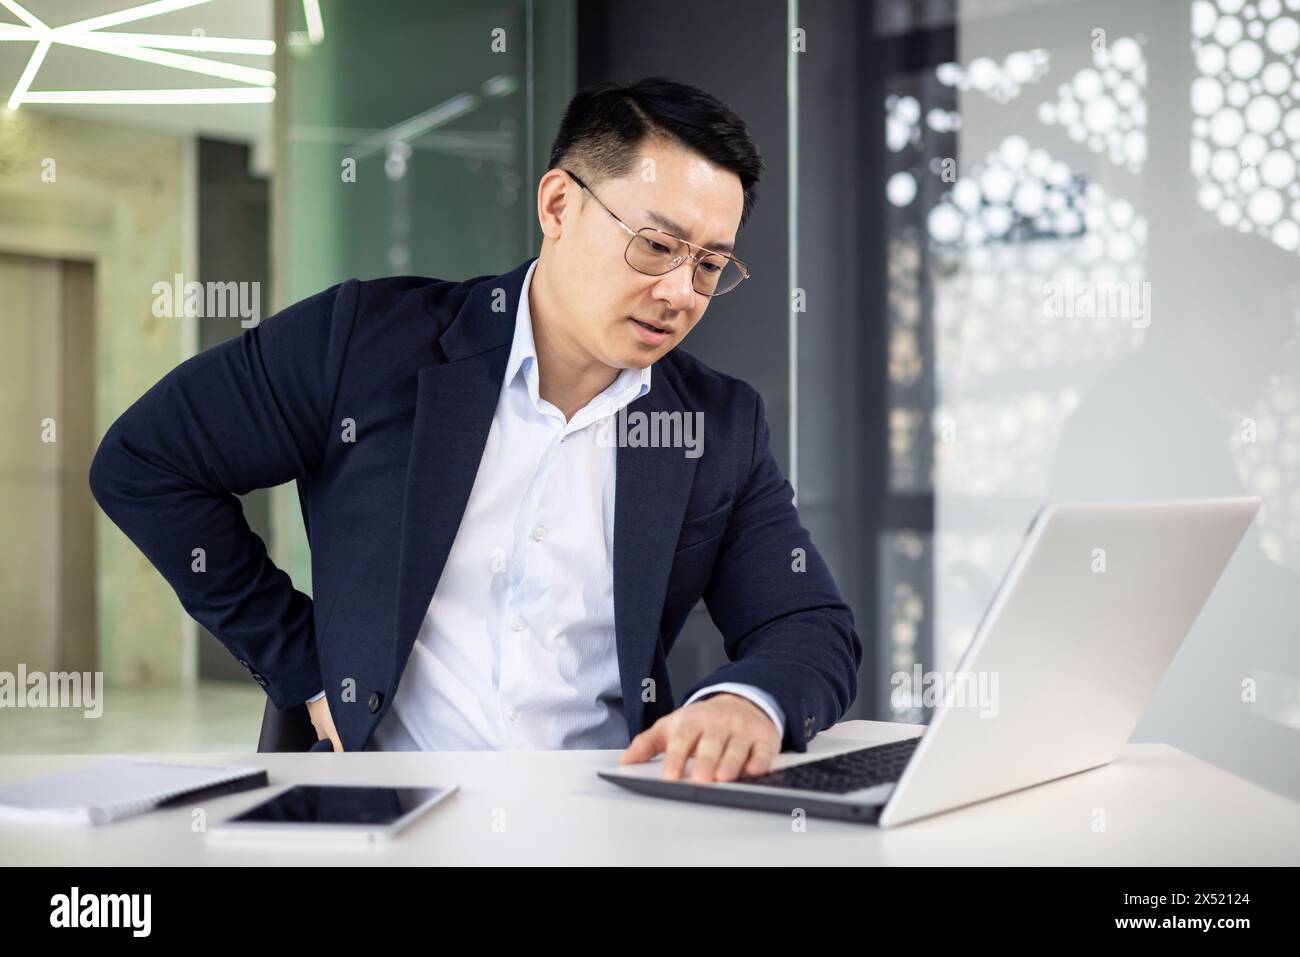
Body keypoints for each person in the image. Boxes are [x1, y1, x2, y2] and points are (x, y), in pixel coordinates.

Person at [89, 77, 861, 784]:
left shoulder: (714, 424)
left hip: (602, 813)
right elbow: (145, 461)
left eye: (710, 264)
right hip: (386, 807)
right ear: (558, 205)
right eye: (656, 245)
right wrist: (302, 665)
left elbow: (807, 620)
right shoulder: (366, 343)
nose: (678, 291)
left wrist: (748, 701)